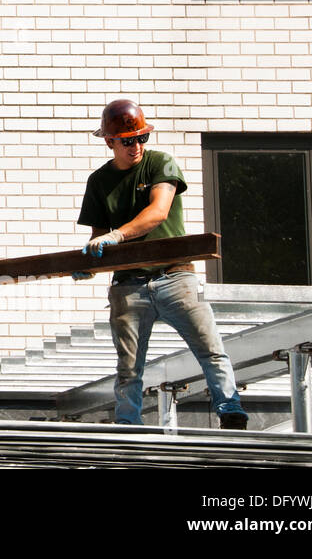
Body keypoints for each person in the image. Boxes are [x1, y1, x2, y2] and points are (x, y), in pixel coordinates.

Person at [77, 100, 248, 429]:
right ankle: (129, 427)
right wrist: (90, 262)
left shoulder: (160, 163)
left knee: (210, 347)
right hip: (128, 284)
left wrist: (116, 236)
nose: (137, 147)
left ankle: (230, 410)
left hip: (176, 276)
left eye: (142, 138)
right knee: (128, 367)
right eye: (128, 141)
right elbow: (99, 239)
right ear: (109, 141)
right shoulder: (99, 181)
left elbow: (157, 213)